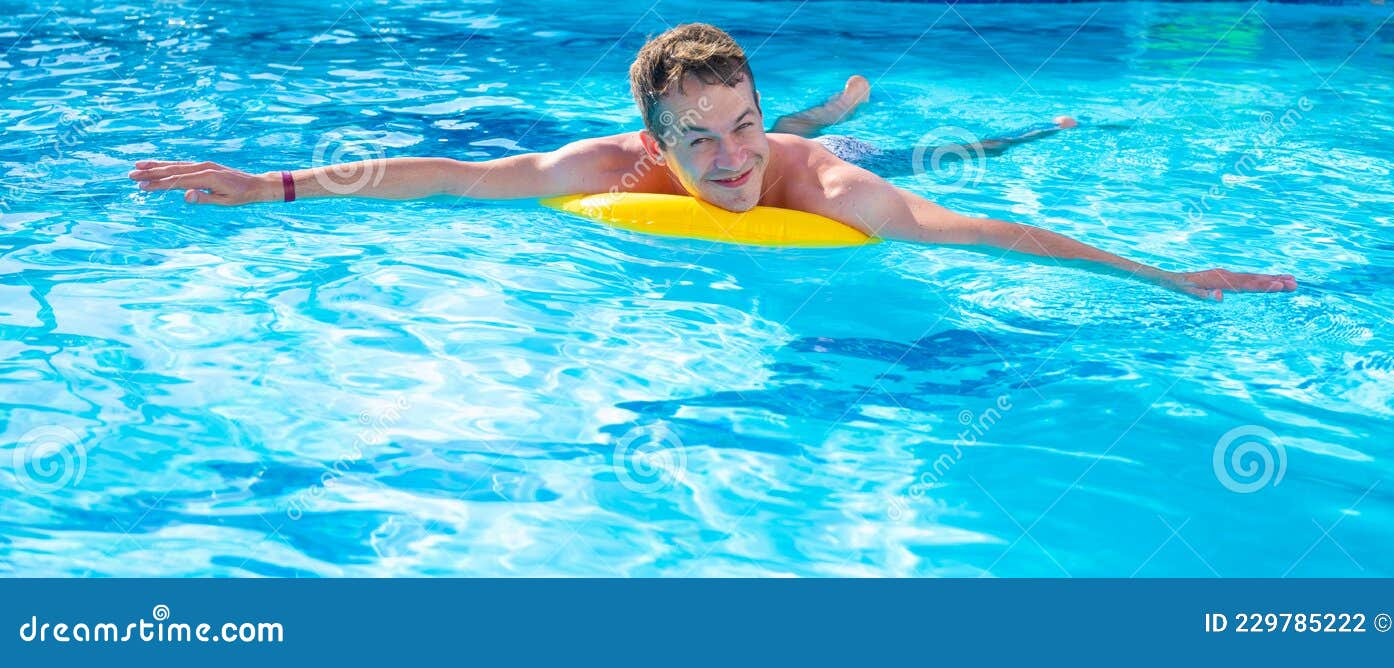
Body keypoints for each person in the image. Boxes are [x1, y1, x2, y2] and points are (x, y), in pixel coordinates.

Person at [129, 23, 1295, 301]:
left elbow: (988, 235)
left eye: (740, 127)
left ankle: (1016, 127)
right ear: (652, 145)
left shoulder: (822, 186)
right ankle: (828, 96)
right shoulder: (612, 165)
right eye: (701, 140)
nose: (731, 162)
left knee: (961, 157)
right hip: (748, 131)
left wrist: (1171, 279)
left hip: (837, 151)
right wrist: (266, 186)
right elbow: (446, 174)